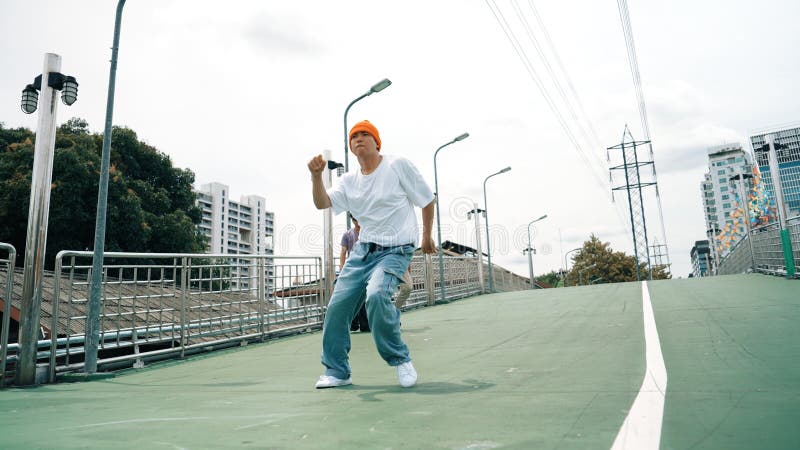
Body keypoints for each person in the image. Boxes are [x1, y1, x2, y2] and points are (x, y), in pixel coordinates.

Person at [308, 120, 436, 389]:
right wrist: (317, 177)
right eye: (354, 136)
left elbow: (426, 199)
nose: (359, 138)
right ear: (351, 147)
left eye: (365, 134)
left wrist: (425, 236)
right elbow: (322, 203)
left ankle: (400, 359)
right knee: (337, 307)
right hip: (363, 250)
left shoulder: (397, 165)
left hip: (396, 249)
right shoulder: (348, 181)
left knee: (377, 296)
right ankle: (337, 371)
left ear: (377, 142)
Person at [340, 215, 369, 332]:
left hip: (367, 267)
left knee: (364, 296)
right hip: (353, 268)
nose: (358, 223)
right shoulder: (347, 234)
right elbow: (343, 252)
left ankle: (365, 324)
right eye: (355, 220)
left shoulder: (368, 233)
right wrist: (342, 268)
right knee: (353, 296)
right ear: (352, 220)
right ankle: (353, 324)